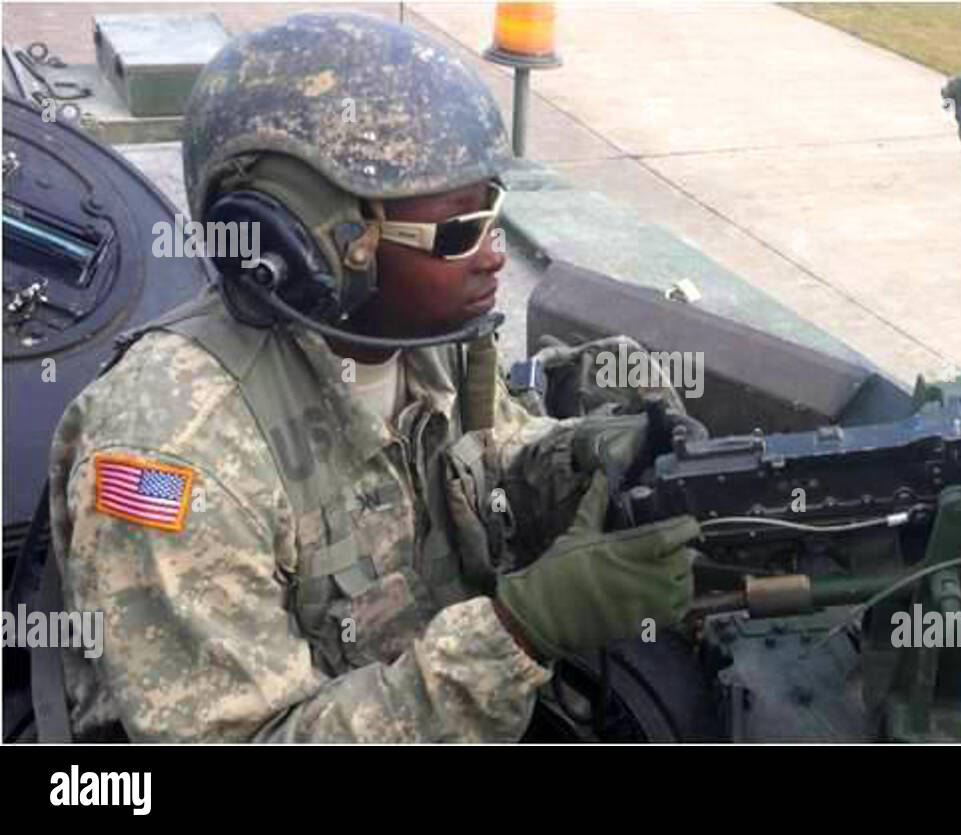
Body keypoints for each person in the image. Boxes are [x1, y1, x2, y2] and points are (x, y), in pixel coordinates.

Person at [45, 12, 700, 742]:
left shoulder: (417, 341)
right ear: (305, 241)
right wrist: (520, 631)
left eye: (495, 213)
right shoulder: (167, 450)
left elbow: (491, 466)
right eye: (459, 230)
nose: (491, 256)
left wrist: (590, 462)